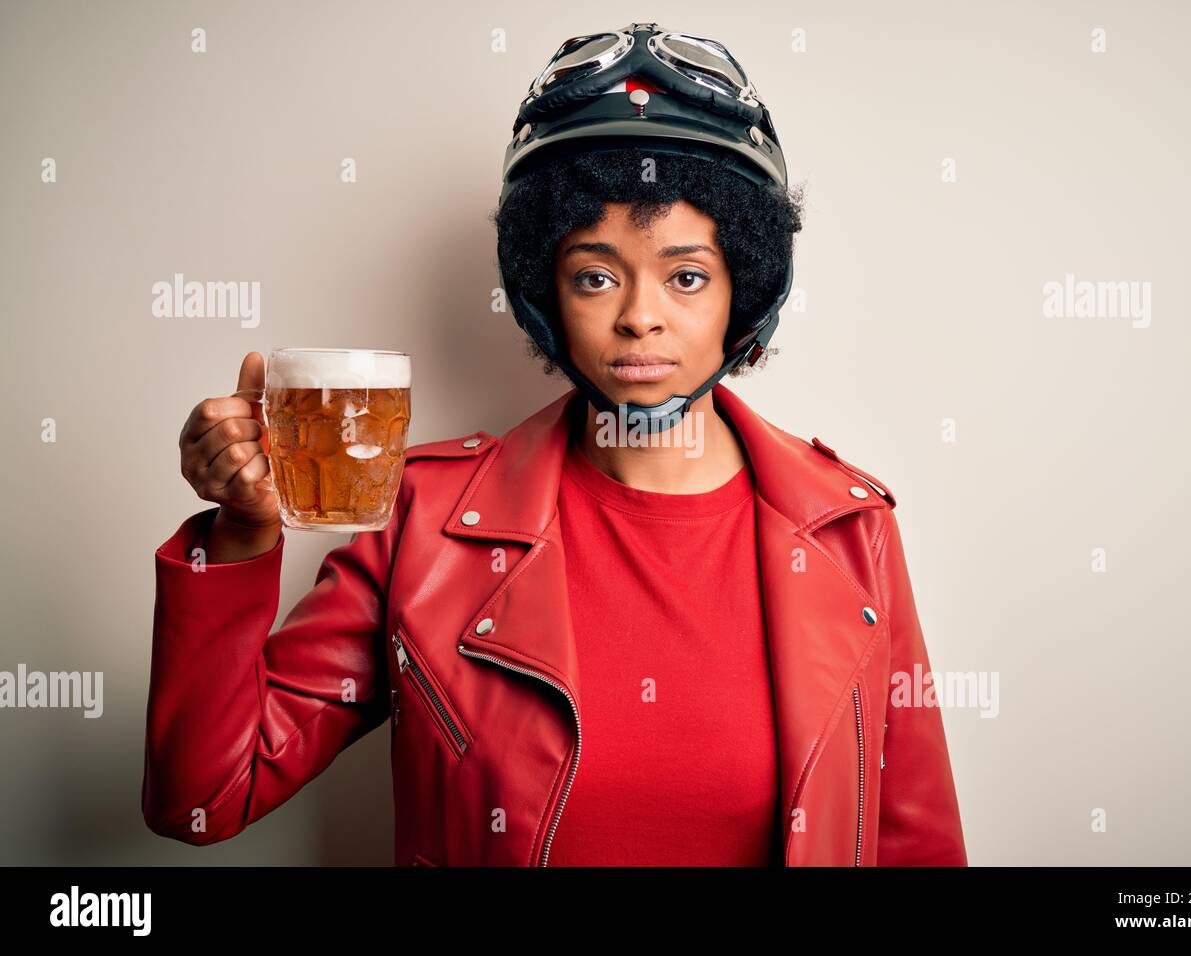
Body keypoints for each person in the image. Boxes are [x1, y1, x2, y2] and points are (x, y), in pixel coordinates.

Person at [143, 22, 967, 866]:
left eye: (686, 276)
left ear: (742, 293)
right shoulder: (423, 522)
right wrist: (240, 537)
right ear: (544, 293)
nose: (640, 315)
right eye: (596, 275)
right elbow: (204, 798)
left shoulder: (849, 530)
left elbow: (919, 841)